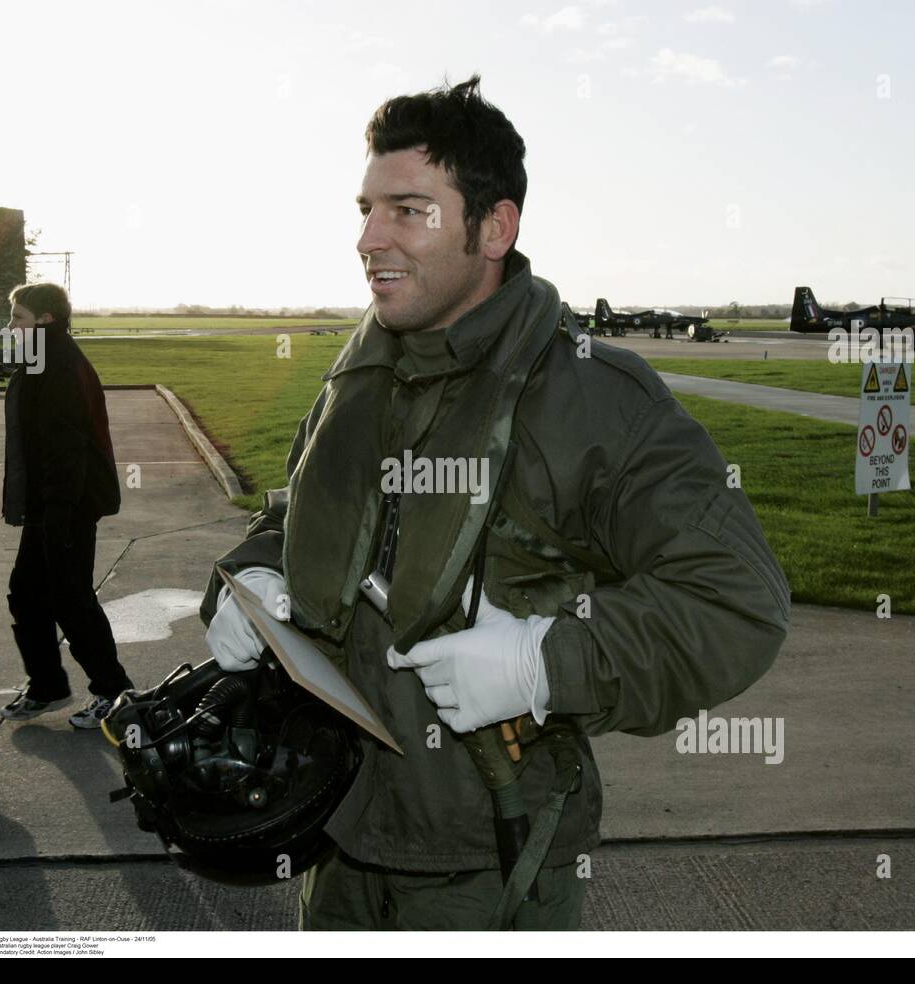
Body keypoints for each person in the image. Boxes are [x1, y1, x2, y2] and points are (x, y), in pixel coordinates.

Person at [200, 77, 791, 930]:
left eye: (408, 209)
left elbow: (738, 603)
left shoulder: (592, 400)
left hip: (495, 867)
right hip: (335, 833)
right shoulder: (360, 377)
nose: (368, 237)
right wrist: (250, 582)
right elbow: (292, 515)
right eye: (367, 208)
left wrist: (542, 664)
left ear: (495, 228)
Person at [0, 283, 132, 728]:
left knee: (71, 599)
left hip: (67, 506)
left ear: (45, 320)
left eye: (18, 317)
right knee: (27, 595)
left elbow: (67, 447)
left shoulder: (59, 365)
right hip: (50, 505)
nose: (11, 325)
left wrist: (57, 513)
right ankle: (48, 685)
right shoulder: (44, 360)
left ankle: (115, 693)